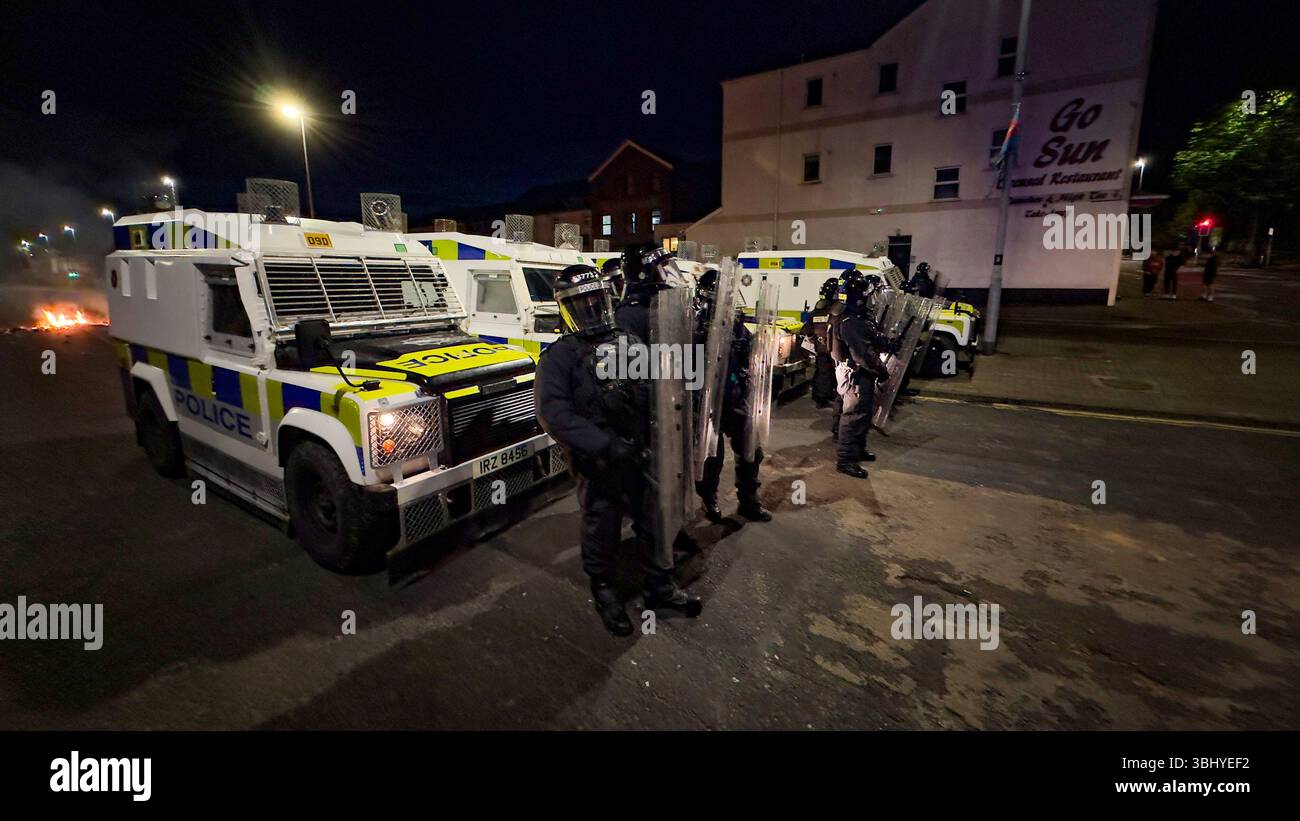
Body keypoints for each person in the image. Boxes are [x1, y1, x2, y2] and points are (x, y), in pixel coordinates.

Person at [536, 264, 702, 636]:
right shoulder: (560, 356)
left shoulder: (627, 339)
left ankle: (660, 586)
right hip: (600, 459)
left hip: (642, 450)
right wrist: (604, 446)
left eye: (595, 301)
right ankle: (605, 590)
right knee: (602, 525)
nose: (591, 311)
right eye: (581, 305)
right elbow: (554, 414)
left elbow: (655, 384)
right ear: (566, 309)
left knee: (654, 520)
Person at [693, 268, 772, 524]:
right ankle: (709, 500)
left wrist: (752, 347)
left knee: (750, 451)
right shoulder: (694, 328)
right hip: (709, 403)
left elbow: (749, 354)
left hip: (737, 398)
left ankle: (748, 501)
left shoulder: (735, 324)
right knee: (711, 458)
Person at [828, 275, 890, 478]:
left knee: (863, 415)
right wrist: (881, 371)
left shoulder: (848, 315)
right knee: (853, 416)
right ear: (858, 298)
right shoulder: (850, 321)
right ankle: (845, 460)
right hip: (855, 373)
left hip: (856, 372)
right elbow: (862, 354)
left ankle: (857, 451)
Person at [800, 276, 841, 408]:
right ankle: (825, 396)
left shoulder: (818, 309)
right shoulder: (837, 309)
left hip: (820, 346)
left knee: (822, 371)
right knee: (831, 373)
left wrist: (812, 339)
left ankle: (820, 396)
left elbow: (807, 329)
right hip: (833, 346)